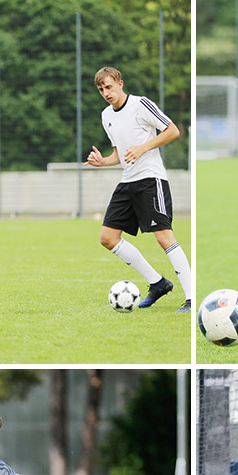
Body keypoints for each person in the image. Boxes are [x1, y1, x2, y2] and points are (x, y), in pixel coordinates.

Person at [85, 66, 192, 312]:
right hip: (127, 181)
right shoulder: (106, 116)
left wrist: (143, 147)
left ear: (120, 84)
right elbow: (120, 156)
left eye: (109, 87)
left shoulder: (141, 104)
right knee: (108, 238)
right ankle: (158, 283)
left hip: (151, 180)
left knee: (164, 238)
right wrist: (102, 162)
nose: (106, 93)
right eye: (101, 89)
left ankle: (191, 296)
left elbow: (173, 130)